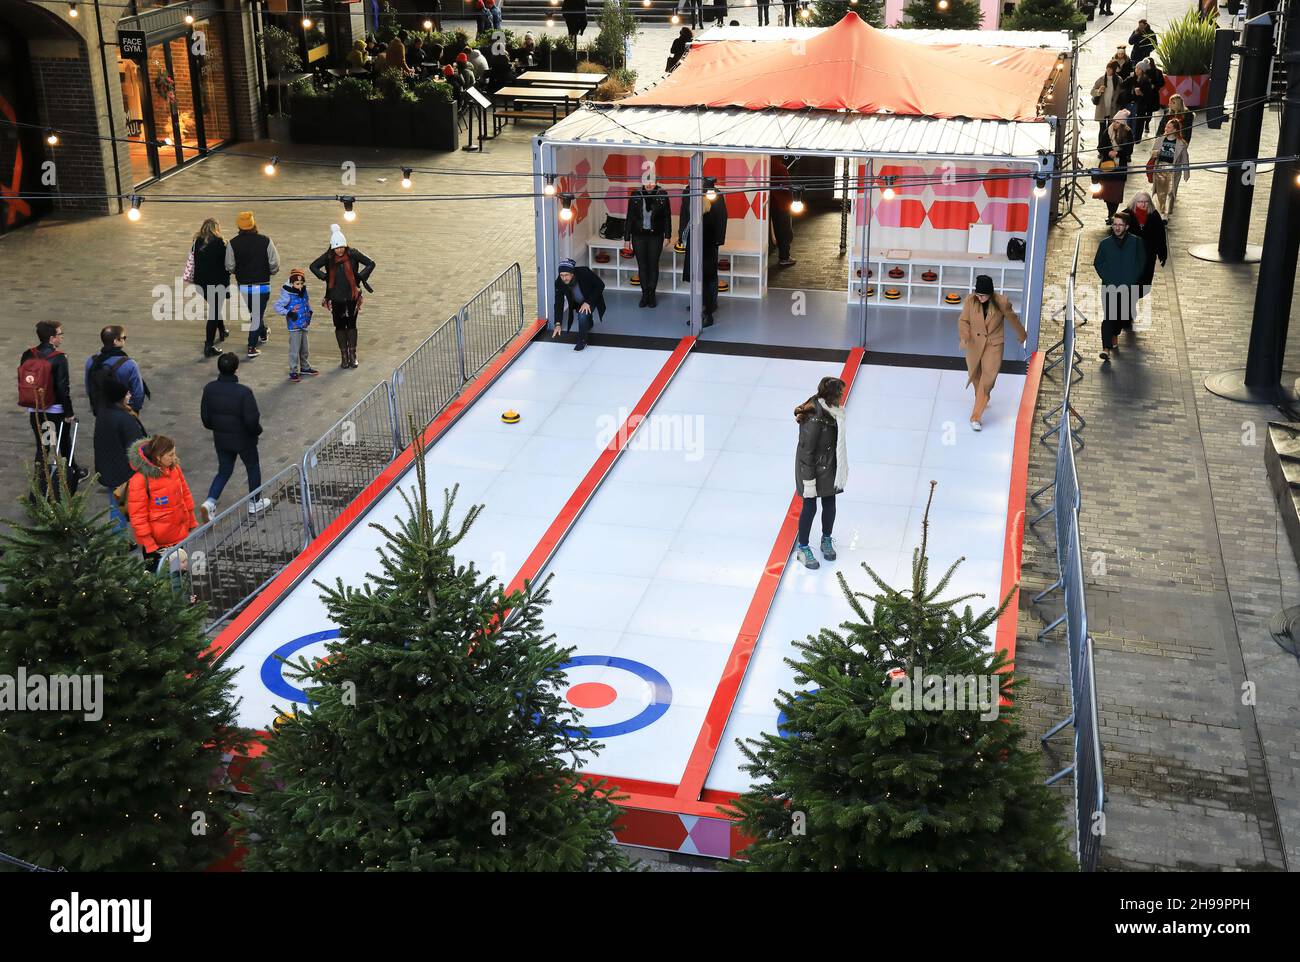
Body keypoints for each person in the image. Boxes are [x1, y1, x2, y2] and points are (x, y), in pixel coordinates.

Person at [199, 352, 269, 521]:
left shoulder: (209, 389)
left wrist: (218, 428)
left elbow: (206, 418)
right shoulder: (244, 392)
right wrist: (257, 431)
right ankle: (254, 501)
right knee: (252, 467)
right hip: (244, 439)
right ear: (236, 369)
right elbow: (252, 420)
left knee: (224, 470)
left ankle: (210, 501)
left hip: (222, 438)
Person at [19, 320, 87, 485]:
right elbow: (63, 389)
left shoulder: (28, 353)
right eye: (59, 334)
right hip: (55, 410)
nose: (61, 337)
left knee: (42, 445)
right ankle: (72, 474)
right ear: (51, 338)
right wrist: (69, 413)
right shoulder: (59, 358)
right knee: (63, 443)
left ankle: (40, 478)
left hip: (35, 408)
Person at [792, 376, 848, 571]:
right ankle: (803, 548)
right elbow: (806, 452)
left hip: (828, 466)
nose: (843, 396)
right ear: (832, 395)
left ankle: (826, 539)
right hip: (811, 470)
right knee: (810, 507)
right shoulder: (814, 418)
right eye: (840, 392)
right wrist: (809, 482)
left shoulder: (832, 412)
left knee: (830, 504)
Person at [958, 275, 1026, 431]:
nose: (980, 298)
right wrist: (965, 335)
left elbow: (1013, 319)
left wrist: (1022, 334)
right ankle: (981, 400)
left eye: (984, 295)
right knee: (975, 375)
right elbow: (963, 320)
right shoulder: (970, 301)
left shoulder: (1001, 302)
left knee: (987, 379)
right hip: (974, 343)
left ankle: (975, 417)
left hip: (993, 344)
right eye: (978, 294)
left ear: (990, 293)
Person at [309, 225, 376, 370]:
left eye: (341, 247)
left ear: (345, 246)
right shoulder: (328, 257)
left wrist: (360, 276)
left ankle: (352, 355)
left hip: (352, 297)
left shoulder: (353, 254)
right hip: (336, 297)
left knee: (351, 325)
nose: (339, 250)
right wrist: (325, 277)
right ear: (332, 248)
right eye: (336, 248)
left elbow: (371, 263)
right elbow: (313, 266)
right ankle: (344, 356)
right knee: (339, 326)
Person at [126, 434, 197, 569]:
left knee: (179, 573)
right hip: (157, 545)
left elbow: (185, 493)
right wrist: (148, 543)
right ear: (158, 457)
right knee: (159, 579)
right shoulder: (140, 479)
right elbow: (138, 515)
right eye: (170, 455)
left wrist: (191, 519)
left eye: (174, 454)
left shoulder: (174, 469)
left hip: (178, 536)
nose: (174, 458)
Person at [92, 378, 146, 534]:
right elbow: (136, 448)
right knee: (120, 510)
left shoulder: (104, 413)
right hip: (123, 473)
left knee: (115, 506)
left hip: (108, 468)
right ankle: (119, 546)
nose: (129, 395)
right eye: (127, 393)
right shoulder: (124, 419)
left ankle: (121, 541)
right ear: (120, 397)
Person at [224, 210, 280, 358]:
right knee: (256, 315)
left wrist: (238, 272)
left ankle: (263, 333)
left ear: (239, 226)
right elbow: (274, 263)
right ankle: (251, 346)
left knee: (255, 313)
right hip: (262, 285)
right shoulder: (266, 241)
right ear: (254, 224)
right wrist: (271, 272)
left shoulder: (232, 243)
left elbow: (229, 265)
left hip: (244, 286)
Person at [1093, 214, 1145, 361]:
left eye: (1120, 225)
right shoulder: (1105, 244)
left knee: (1121, 317)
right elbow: (1098, 263)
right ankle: (1106, 348)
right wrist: (1107, 278)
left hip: (1128, 288)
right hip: (1109, 287)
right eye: (1114, 224)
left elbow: (1142, 262)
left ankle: (1115, 334)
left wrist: (1132, 278)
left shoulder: (1136, 243)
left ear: (1126, 227)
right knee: (1109, 316)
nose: (1117, 227)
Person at [681, 176, 728, 327]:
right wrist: (682, 236)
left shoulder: (714, 196)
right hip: (695, 245)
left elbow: (722, 217)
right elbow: (684, 215)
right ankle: (700, 306)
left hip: (708, 245)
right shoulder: (688, 192)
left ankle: (708, 307)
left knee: (708, 278)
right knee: (699, 278)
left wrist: (719, 240)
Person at [624, 176, 673, 308]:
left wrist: (668, 235)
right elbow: (630, 217)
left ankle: (652, 294)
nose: (649, 185)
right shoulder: (635, 194)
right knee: (642, 265)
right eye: (647, 182)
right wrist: (627, 238)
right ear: (642, 182)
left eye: (652, 182)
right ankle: (644, 294)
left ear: (656, 182)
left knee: (653, 264)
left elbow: (667, 216)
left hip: (656, 236)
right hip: (638, 236)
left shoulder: (662, 194)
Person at [84, 325, 147, 418]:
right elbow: (138, 393)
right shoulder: (129, 364)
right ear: (115, 341)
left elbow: (89, 387)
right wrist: (134, 410)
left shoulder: (91, 361)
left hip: (102, 410)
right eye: (123, 338)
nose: (124, 340)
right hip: (125, 411)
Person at [191, 217, 230, 357]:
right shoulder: (220, 243)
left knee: (215, 307)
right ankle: (209, 345)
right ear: (216, 229)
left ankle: (223, 330)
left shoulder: (197, 242)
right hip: (217, 284)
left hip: (201, 284)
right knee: (214, 312)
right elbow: (227, 264)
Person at [272, 268, 319, 383]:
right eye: (297, 284)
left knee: (304, 348)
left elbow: (306, 303)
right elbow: (277, 306)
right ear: (292, 283)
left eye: (301, 283)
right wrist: (288, 313)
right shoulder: (287, 294)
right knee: (294, 349)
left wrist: (310, 312)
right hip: (294, 326)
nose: (300, 286)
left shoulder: (303, 291)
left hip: (304, 324)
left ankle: (305, 367)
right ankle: (293, 370)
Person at [553, 258, 605, 351]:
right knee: (585, 317)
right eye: (561, 275)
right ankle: (589, 320)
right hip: (577, 302)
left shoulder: (584, 272)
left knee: (582, 315)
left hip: (590, 298)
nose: (564, 278)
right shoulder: (559, 282)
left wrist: (588, 302)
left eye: (566, 275)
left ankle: (582, 341)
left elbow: (600, 285)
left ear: (572, 273)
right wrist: (558, 323)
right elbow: (558, 303)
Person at [1122, 192, 1167, 301]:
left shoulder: (1154, 215)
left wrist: (1162, 253)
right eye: (1140, 202)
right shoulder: (1126, 215)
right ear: (1135, 202)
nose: (1143, 204)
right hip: (1130, 257)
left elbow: (1160, 236)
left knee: (1143, 285)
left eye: (1146, 202)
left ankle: (1132, 301)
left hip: (1147, 257)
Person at [1148, 118, 1190, 218]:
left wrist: (1186, 172)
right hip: (1159, 169)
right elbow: (1152, 152)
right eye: (1166, 126)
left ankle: (1165, 215)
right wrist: (1154, 153)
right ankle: (1161, 210)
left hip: (1173, 171)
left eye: (1169, 127)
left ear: (1175, 130)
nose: (1166, 128)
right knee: (1160, 192)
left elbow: (1185, 158)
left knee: (1170, 192)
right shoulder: (1160, 139)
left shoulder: (1181, 143)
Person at [770, 155, 796, 267]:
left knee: (778, 230)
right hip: (782, 204)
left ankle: (783, 255)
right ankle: (784, 257)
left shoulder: (767, 164)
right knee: (785, 232)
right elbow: (787, 186)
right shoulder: (780, 167)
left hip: (772, 203)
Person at [1095, 148, 1127, 224]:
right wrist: (1109, 152)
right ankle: (1110, 214)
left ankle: (1112, 214)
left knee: (1116, 194)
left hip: (1120, 169)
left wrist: (1117, 153)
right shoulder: (1106, 135)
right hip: (1106, 166)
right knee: (1107, 193)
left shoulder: (1127, 135)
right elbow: (1100, 147)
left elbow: (1129, 149)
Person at [1091, 62, 1122, 140]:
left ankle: (1108, 147)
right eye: (1107, 68)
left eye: (1110, 68)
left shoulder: (1118, 80)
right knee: (1102, 129)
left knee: (1111, 130)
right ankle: (1100, 147)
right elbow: (1092, 92)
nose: (1108, 70)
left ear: (1114, 70)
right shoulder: (1101, 80)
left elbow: (1121, 93)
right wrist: (1098, 91)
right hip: (1102, 109)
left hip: (1113, 109)